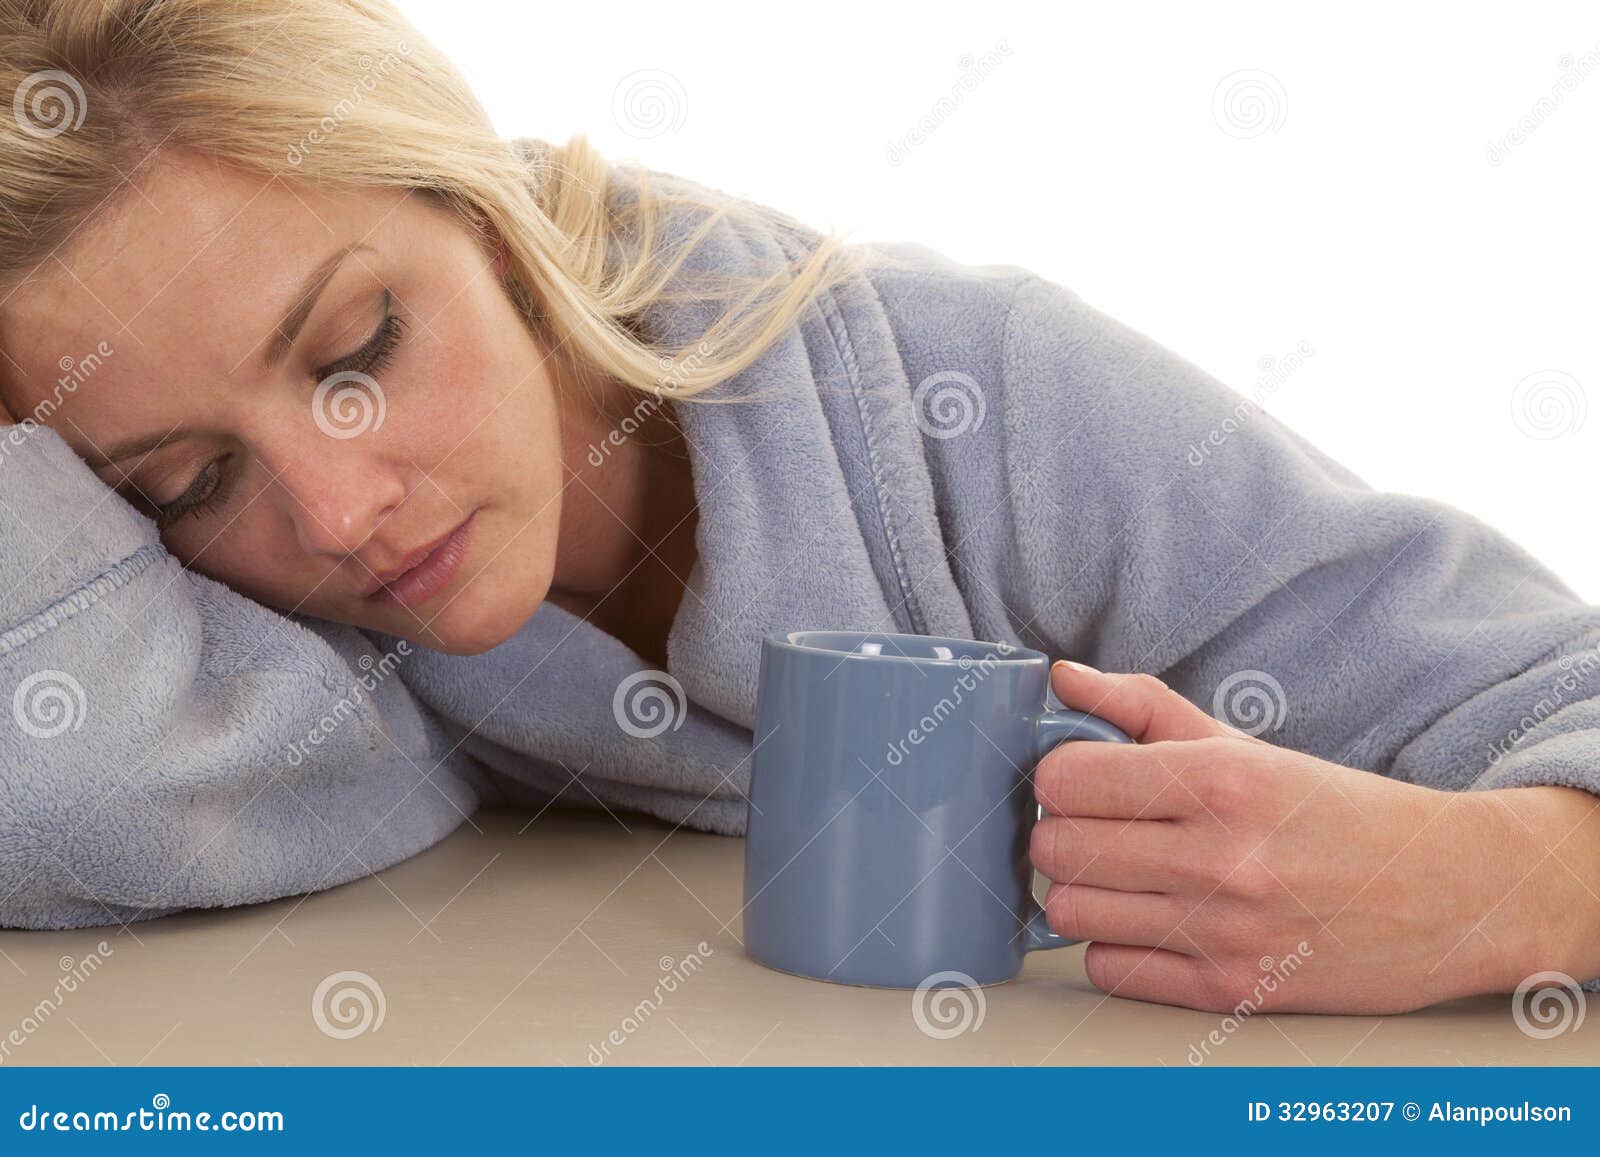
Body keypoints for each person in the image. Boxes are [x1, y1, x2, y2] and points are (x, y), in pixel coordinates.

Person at [0, 0, 1596, 1017]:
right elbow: (66, 796)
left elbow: (1549, 689)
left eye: (360, 347)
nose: (340, 512)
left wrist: (1496, 884)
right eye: (187, 477)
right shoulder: (262, 618)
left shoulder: (983, 399)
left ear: (485, 221)